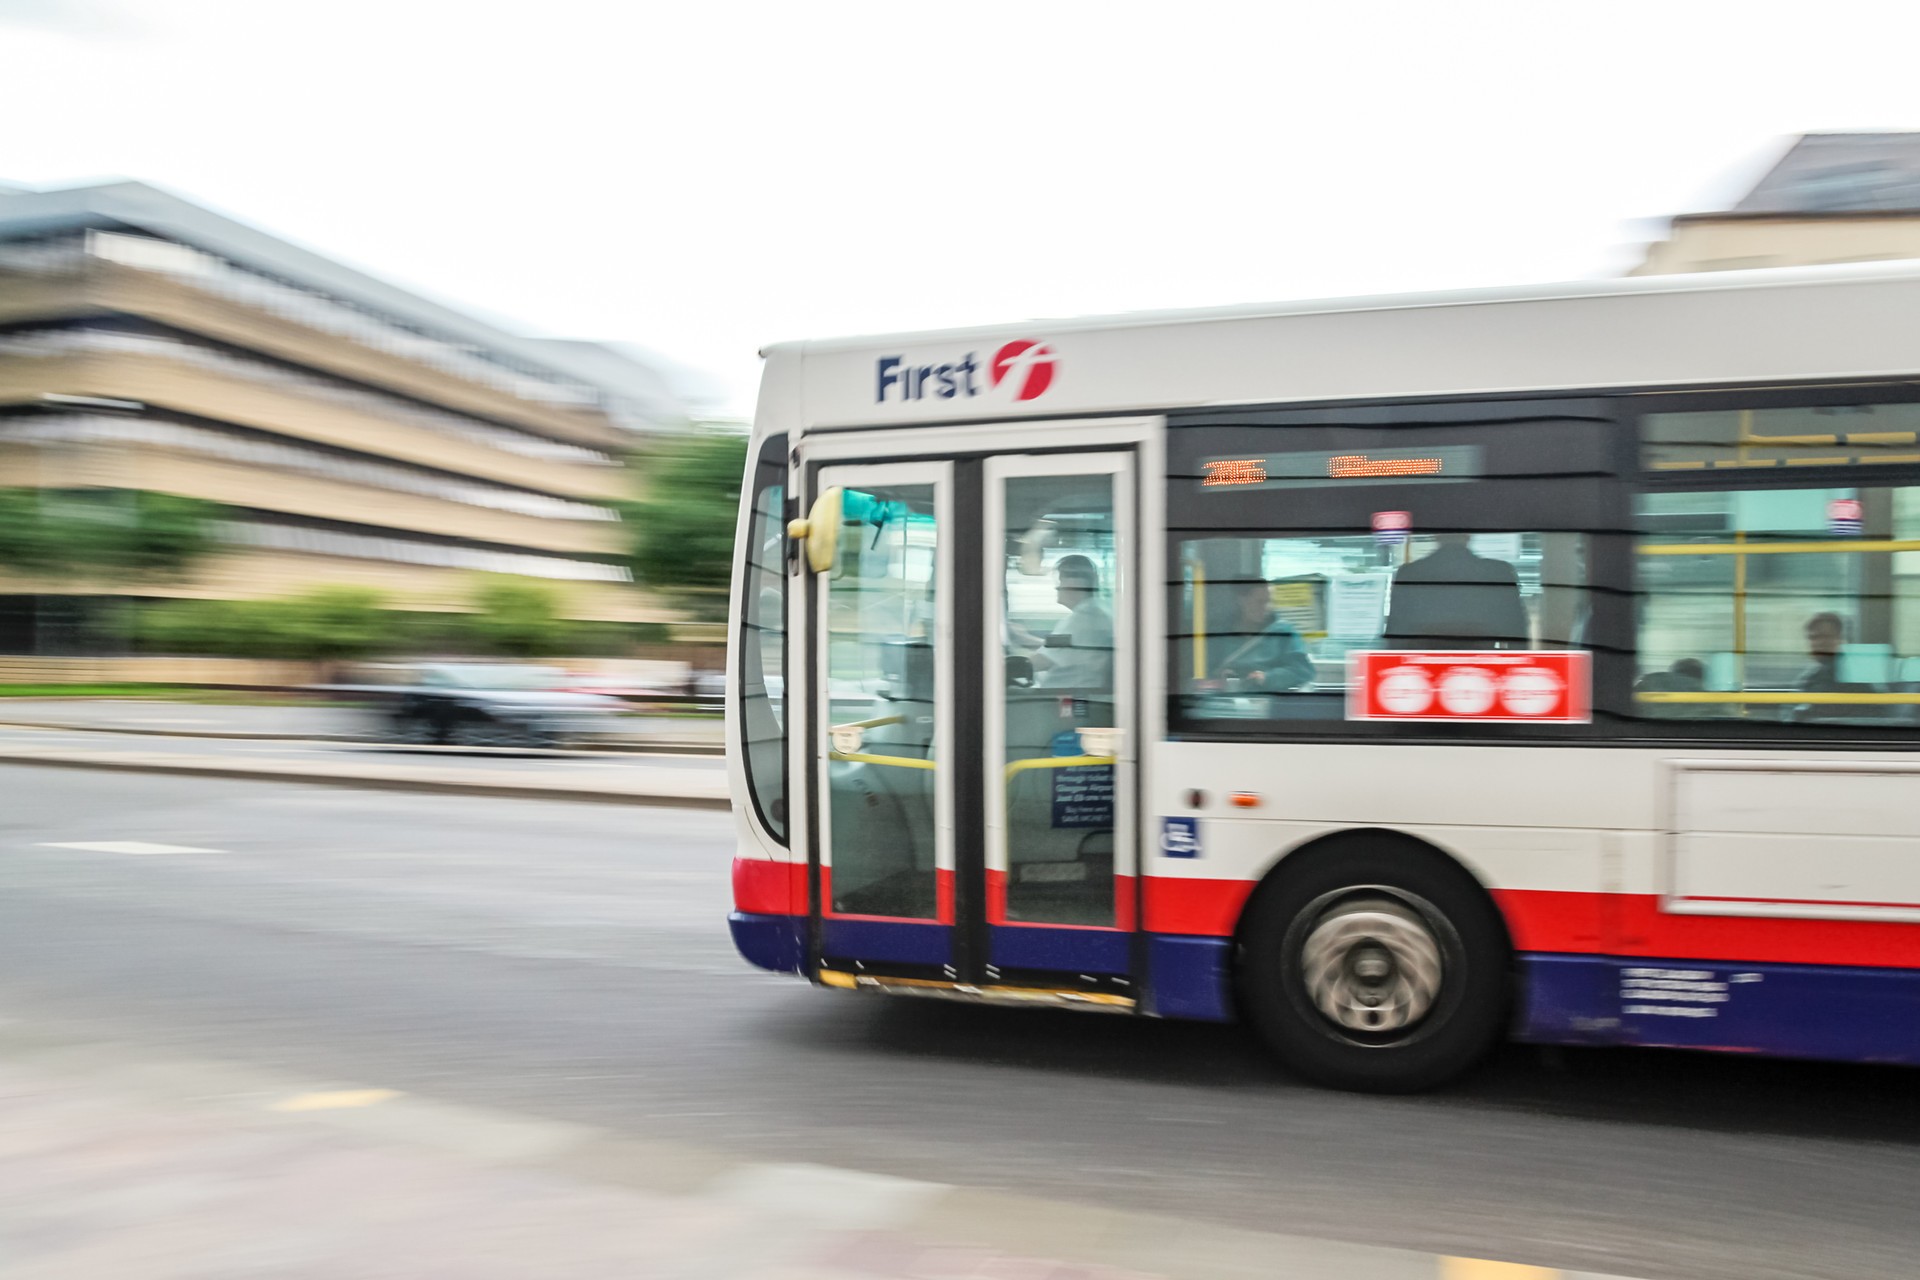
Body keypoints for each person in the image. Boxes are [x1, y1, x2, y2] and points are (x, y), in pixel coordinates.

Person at [1384, 533, 1529, 649]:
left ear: (1436, 536)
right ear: (1468, 536)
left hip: (1425, 667)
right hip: (1482, 667)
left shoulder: (1410, 573)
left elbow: (1395, 635)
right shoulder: (1498, 572)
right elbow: (1517, 633)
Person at [1012, 554, 1114, 690]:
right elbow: (1061, 647)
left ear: (1075, 583)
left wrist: (1003, 667)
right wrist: (1022, 638)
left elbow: (1041, 662)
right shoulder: (1094, 612)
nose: (1057, 587)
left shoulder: (1081, 619)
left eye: (1060, 580)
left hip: (1058, 699)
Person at [1213, 580, 1316, 691]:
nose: (1265, 607)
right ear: (1242, 600)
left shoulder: (1283, 632)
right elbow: (1207, 667)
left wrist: (1267, 677)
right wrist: (1222, 674)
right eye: (1259, 602)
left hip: (1272, 697)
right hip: (1231, 696)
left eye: (1268, 602)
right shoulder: (1222, 632)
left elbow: (1303, 671)